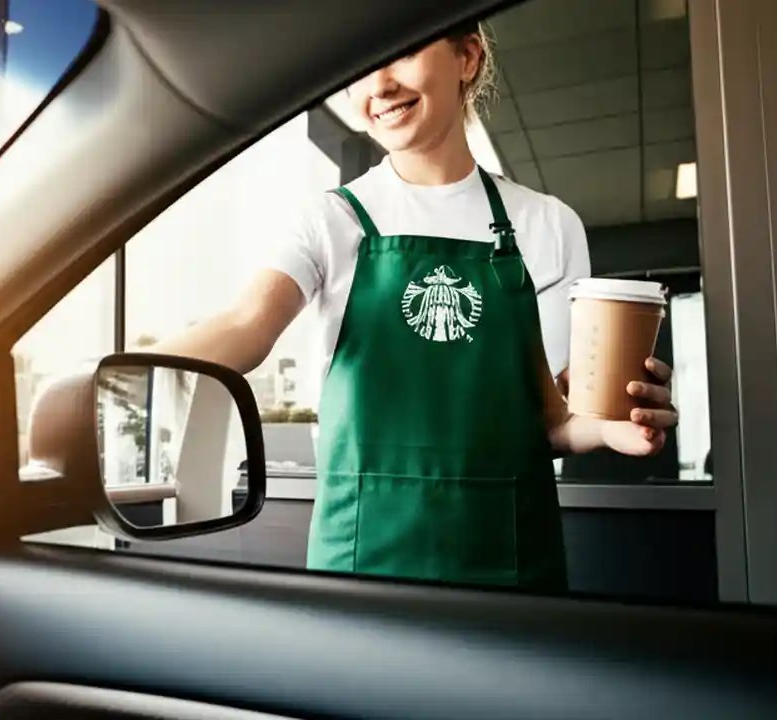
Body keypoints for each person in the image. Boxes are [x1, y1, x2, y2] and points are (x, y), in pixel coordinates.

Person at [149, 22, 678, 590]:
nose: (378, 82)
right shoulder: (331, 219)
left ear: (468, 58)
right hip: (362, 563)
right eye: (356, 67)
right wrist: (119, 367)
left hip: (510, 562)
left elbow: (547, 421)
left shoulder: (546, 225)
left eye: (400, 51)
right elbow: (245, 325)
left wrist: (607, 430)